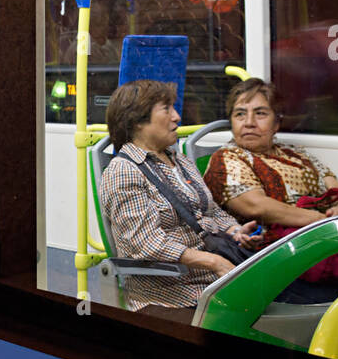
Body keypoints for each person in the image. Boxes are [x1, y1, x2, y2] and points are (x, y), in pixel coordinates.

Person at [98, 80, 260, 318]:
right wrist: (213, 262)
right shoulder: (124, 171)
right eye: (166, 109)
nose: (176, 117)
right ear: (137, 121)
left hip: (214, 277)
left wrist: (235, 230)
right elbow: (147, 244)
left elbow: (211, 212)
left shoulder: (179, 159)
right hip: (172, 294)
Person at [204, 78, 338, 243]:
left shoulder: (294, 153)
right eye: (240, 114)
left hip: (323, 232)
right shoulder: (226, 159)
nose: (249, 123)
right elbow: (256, 206)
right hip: (279, 245)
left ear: (276, 123)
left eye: (260, 113)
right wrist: (324, 222)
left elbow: (333, 186)